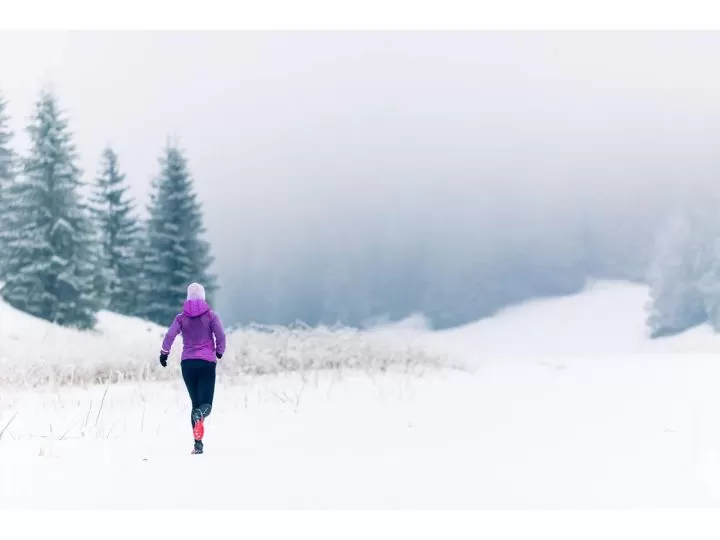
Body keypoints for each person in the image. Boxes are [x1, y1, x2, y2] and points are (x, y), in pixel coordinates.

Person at [159, 282, 226, 455]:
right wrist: (219, 351)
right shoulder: (211, 316)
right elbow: (221, 335)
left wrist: (164, 353)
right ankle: (201, 417)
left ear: (188, 298)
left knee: (195, 404)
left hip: (188, 364)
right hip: (206, 364)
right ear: (203, 297)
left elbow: (169, 335)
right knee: (206, 405)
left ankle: (198, 445)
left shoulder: (181, 318)